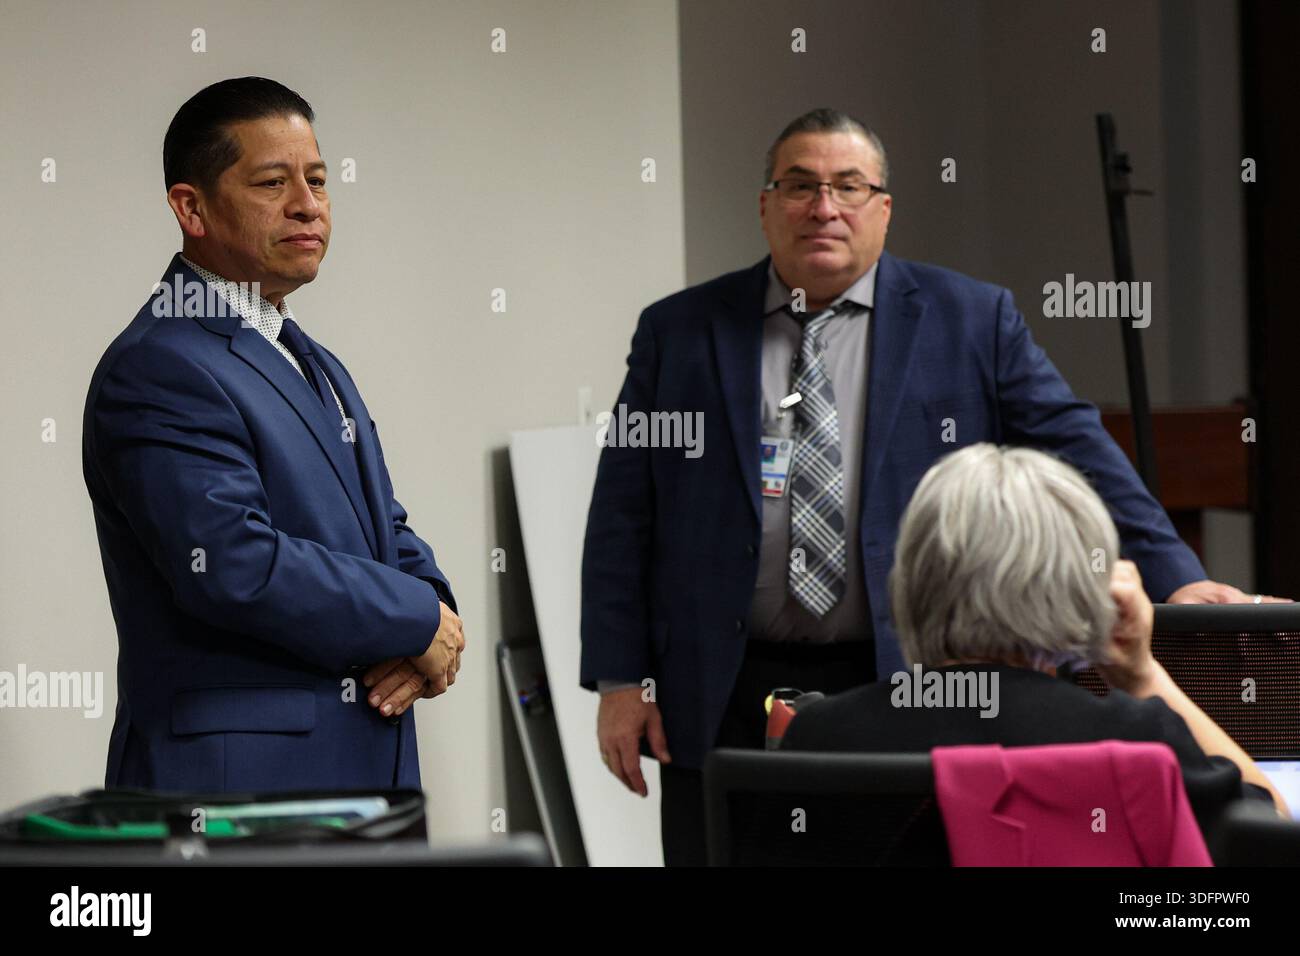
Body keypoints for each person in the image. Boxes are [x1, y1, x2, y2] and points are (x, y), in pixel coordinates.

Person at [580, 107, 1283, 866]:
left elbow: (1079, 448)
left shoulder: (970, 319)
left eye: (849, 187)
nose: (824, 208)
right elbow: (624, 513)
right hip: (718, 681)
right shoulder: (680, 331)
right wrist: (622, 677)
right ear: (764, 204)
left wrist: (1178, 578)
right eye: (799, 185)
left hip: (896, 680)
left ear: (884, 208)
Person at [82, 77, 463, 792]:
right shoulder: (159, 363)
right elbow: (231, 563)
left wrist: (436, 611)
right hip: (237, 791)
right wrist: (413, 619)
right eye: (272, 182)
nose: (308, 205)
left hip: (357, 774)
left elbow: (385, 526)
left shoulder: (310, 356)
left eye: (318, 180)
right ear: (189, 207)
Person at [781, 443, 1288, 840]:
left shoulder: (820, 738)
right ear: (1079, 589)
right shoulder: (1132, 739)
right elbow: (1269, 824)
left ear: (910, 582)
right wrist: (1143, 674)